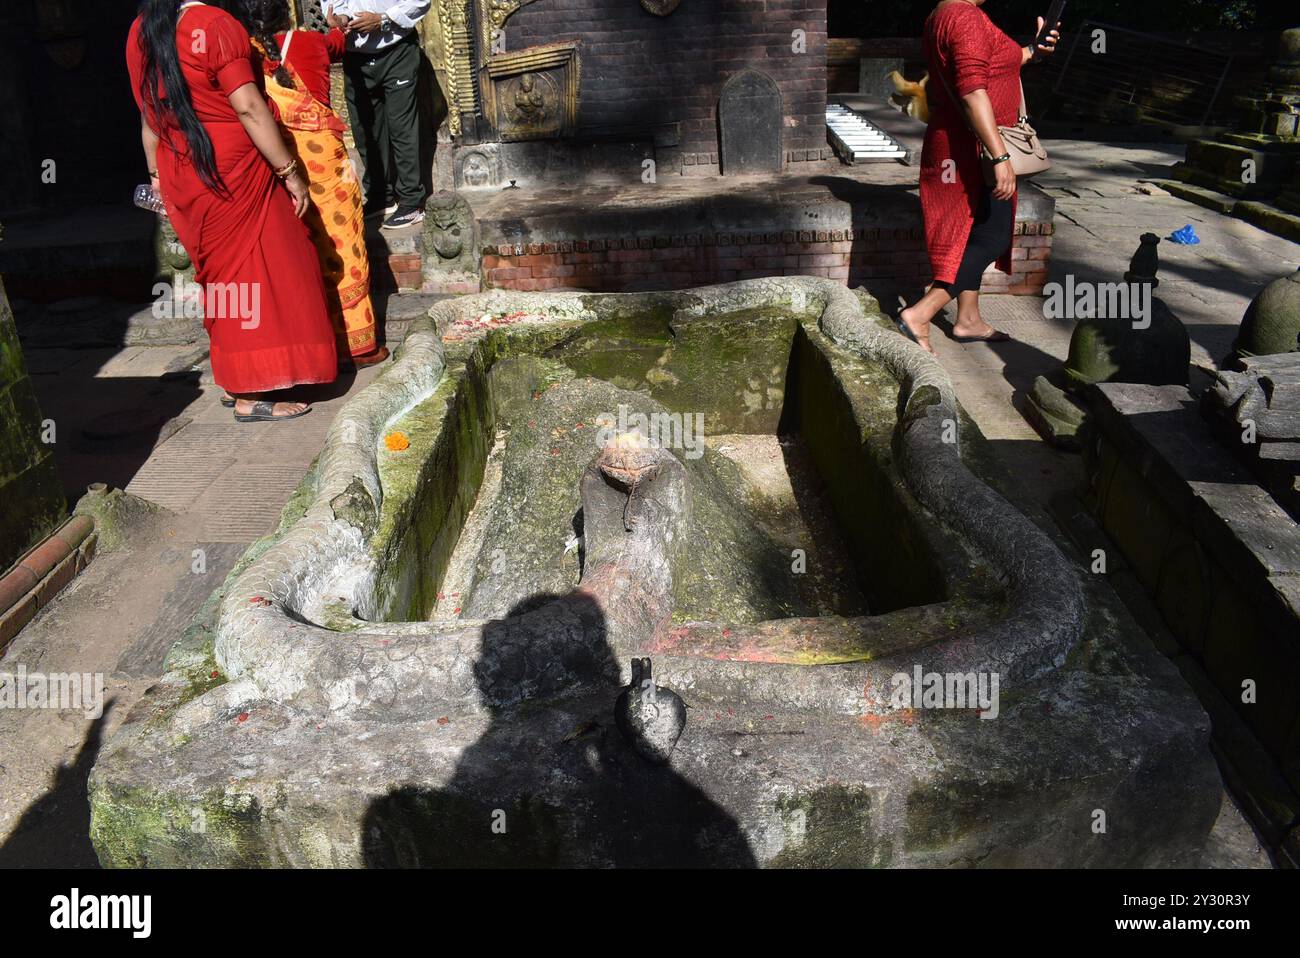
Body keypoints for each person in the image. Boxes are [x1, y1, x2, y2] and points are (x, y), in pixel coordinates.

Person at [127, 0, 338, 422]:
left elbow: (150, 115)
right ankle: (250, 394)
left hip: (183, 169)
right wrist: (289, 170)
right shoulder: (215, 24)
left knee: (227, 281)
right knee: (267, 270)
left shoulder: (140, 32)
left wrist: (155, 176)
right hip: (235, 171)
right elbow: (247, 106)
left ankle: (238, 379)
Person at [233, 0, 390, 369]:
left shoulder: (244, 58)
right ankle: (359, 345)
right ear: (287, 13)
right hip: (327, 168)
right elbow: (337, 43)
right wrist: (338, 25)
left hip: (281, 170)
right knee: (345, 248)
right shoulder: (310, 43)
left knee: (306, 256)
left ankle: (319, 346)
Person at [899, 0, 1059, 354]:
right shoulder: (965, 17)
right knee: (993, 237)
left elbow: (1000, 63)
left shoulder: (945, 13)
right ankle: (921, 313)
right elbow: (973, 91)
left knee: (972, 231)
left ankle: (968, 318)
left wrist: (1033, 48)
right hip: (973, 148)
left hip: (961, 142)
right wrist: (999, 155)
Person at [325, 1, 431, 231]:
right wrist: (342, 20)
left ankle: (412, 201)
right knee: (365, 131)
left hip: (397, 50)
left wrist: (383, 18)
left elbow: (420, 2)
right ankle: (380, 197)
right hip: (356, 57)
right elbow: (335, 6)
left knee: (401, 128)